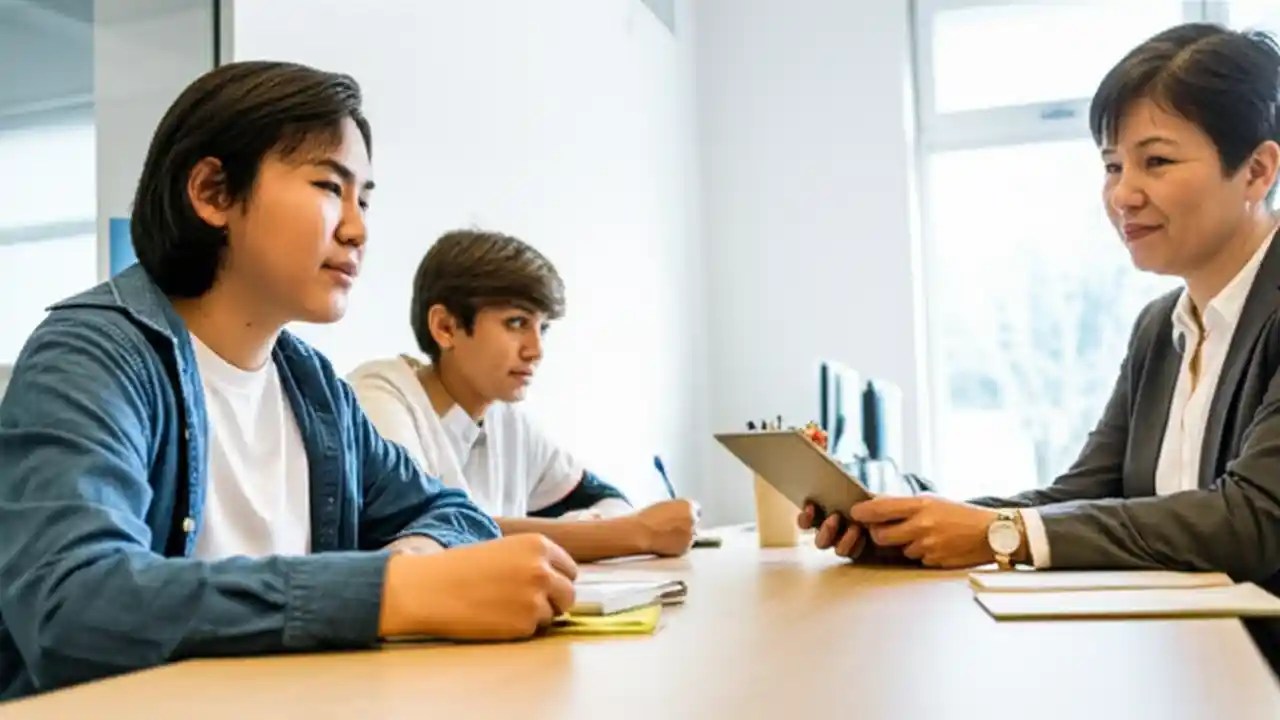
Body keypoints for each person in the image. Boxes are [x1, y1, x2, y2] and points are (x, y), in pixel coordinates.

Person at [0, 62, 579, 701]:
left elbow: (452, 512)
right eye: (330, 187)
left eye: (365, 198)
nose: (358, 228)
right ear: (214, 192)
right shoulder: (95, 355)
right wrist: (390, 593)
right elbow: (72, 605)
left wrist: (411, 566)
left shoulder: (310, 384)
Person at [802, 22, 1280, 667]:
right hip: (1181, 664)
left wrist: (1000, 533)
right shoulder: (1159, 328)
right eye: (1112, 165)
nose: (1121, 194)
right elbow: (1085, 493)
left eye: (1156, 161)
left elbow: (1255, 521)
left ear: (1256, 170)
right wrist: (913, 528)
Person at [348, 230, 697, 562]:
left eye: (542, 328)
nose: (536, 350)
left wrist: (598, 530)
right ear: (445, 327)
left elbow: (606, 499)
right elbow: (433, 534)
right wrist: (633, 534)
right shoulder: (380, 395)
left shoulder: (503, 417)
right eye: (516, 323)